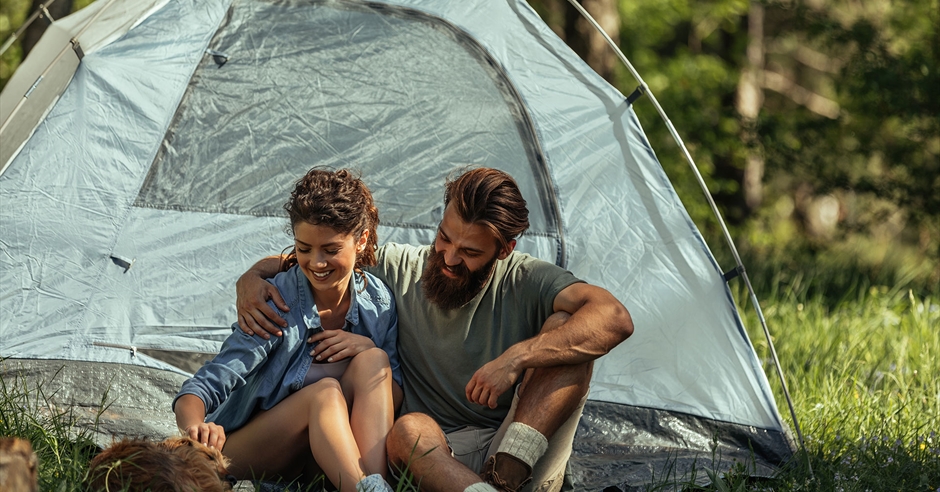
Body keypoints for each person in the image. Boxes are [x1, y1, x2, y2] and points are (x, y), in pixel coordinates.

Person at [237, 167, 634, 492]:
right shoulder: (399, 267)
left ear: (505, 250)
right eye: (444, 238)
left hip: (520, 443)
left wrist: (517, 358)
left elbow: (613, 318)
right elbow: (323, 255)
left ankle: (506, 477)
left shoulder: (527, 278)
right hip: (433, 455)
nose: (449, 257)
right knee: (409, 429)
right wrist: (253, 275)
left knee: (568, 331)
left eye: (470, 252)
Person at [173, 168, 402, 492]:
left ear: (361, 240)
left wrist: (366, 348)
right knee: (324, 395)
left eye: (331, 250)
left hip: (328, 462)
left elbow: (394, 393)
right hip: (250, 452)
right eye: (304, 248)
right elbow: (200, 388)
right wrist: (196, 428)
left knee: (375, 360)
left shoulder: (377, 303)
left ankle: (372, 486)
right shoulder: (273, 303)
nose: (317, 263)